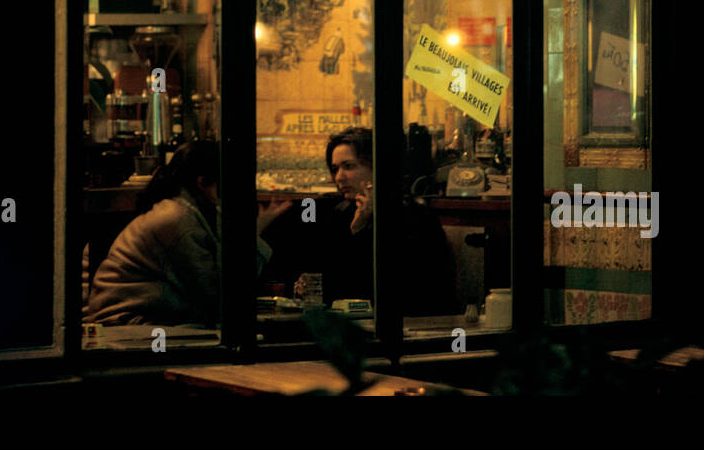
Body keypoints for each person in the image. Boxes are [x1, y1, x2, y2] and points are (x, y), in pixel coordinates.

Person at [86, 140, 290, 326]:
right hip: (126, 323)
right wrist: (254, 233)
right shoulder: (178, 220)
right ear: (202, 183)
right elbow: (219, 298)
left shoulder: (190, 211)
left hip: (149, 320)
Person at [295, 127, 459, 315]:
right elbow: (328, 281)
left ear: (377, 167)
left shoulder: (413, 217)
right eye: (335, 169)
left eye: (348, 166)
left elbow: (393, 287)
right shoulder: (340, 212)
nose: (339, 177)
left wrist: (360, 231)